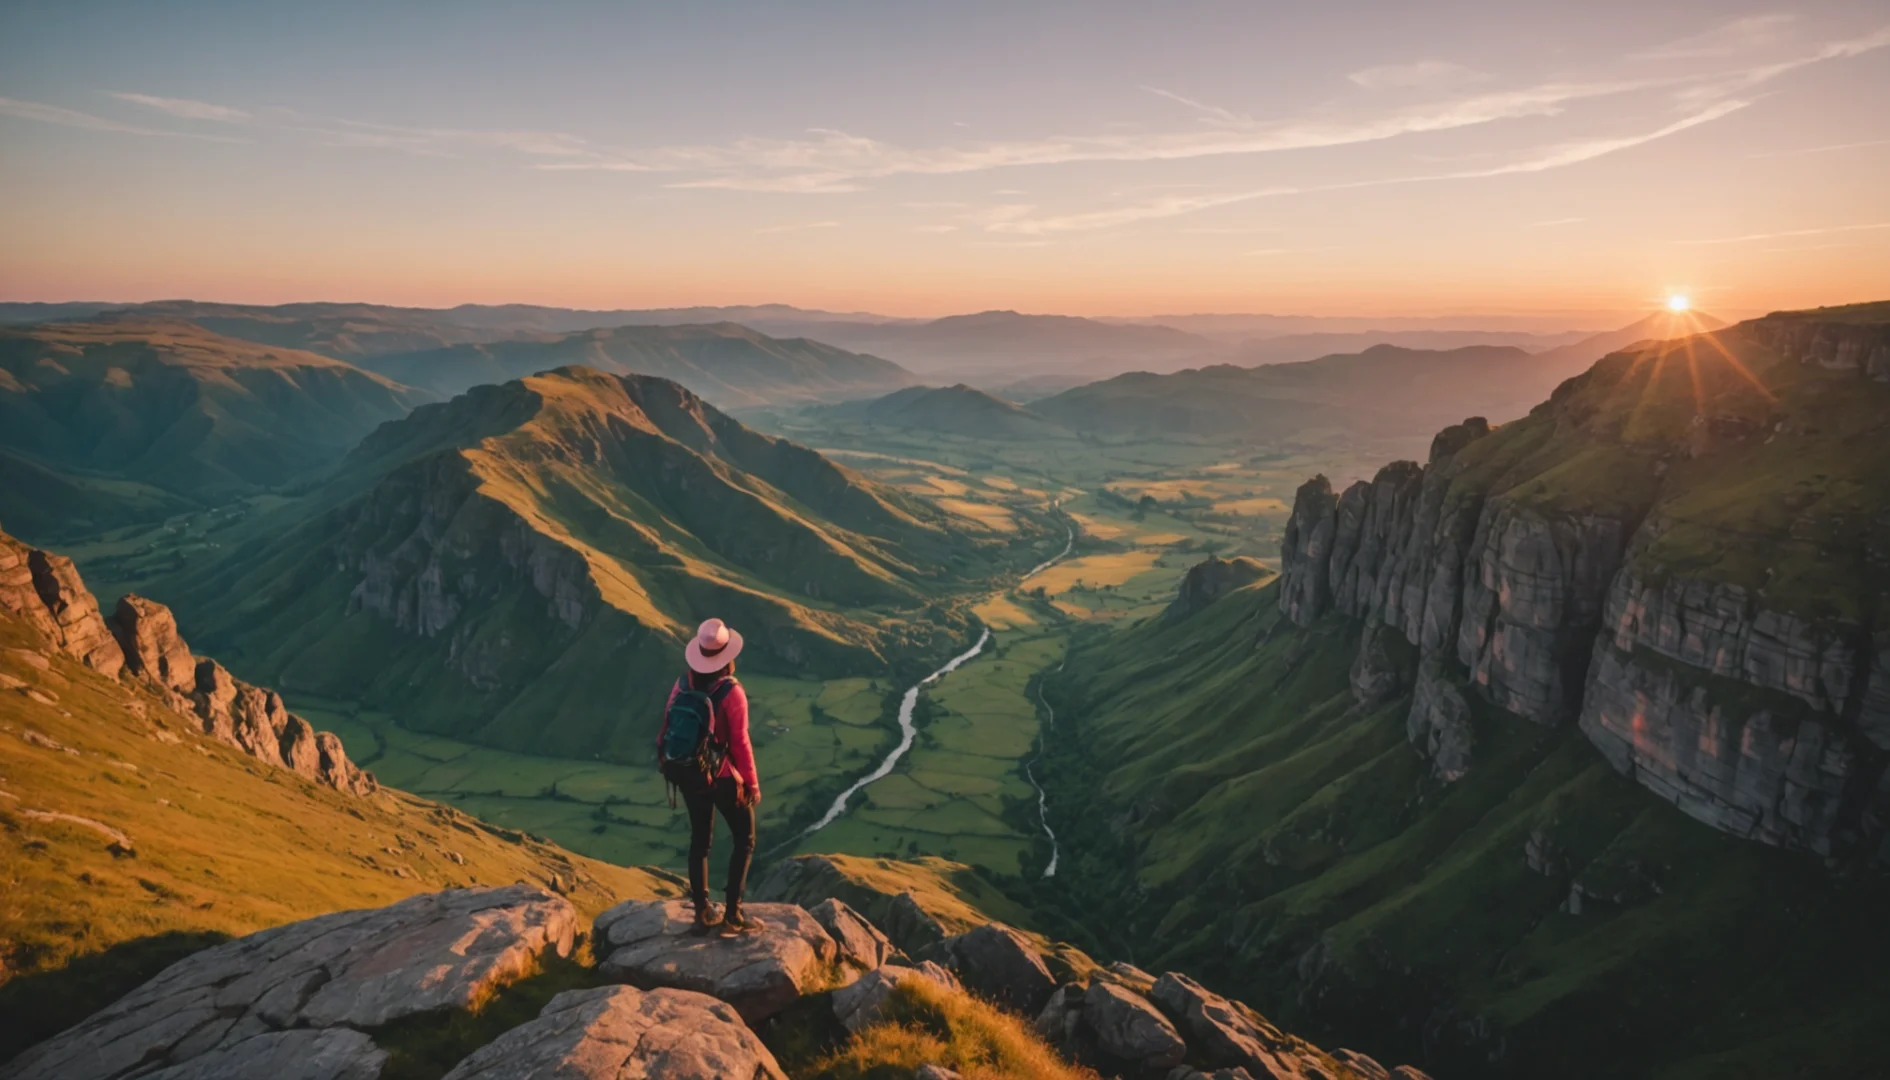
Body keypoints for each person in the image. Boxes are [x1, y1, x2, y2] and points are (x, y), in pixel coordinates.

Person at [660, 617, 764, 935]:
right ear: (727, 656)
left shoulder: (682, 685)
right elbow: (740, 742)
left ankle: (703, 911)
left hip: (690, 772)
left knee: (700, 843)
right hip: (722, 777)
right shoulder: (731, 693)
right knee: (744, 841)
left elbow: (666, 727)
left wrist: (669, 763)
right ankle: (733, 913)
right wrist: (752, 783)